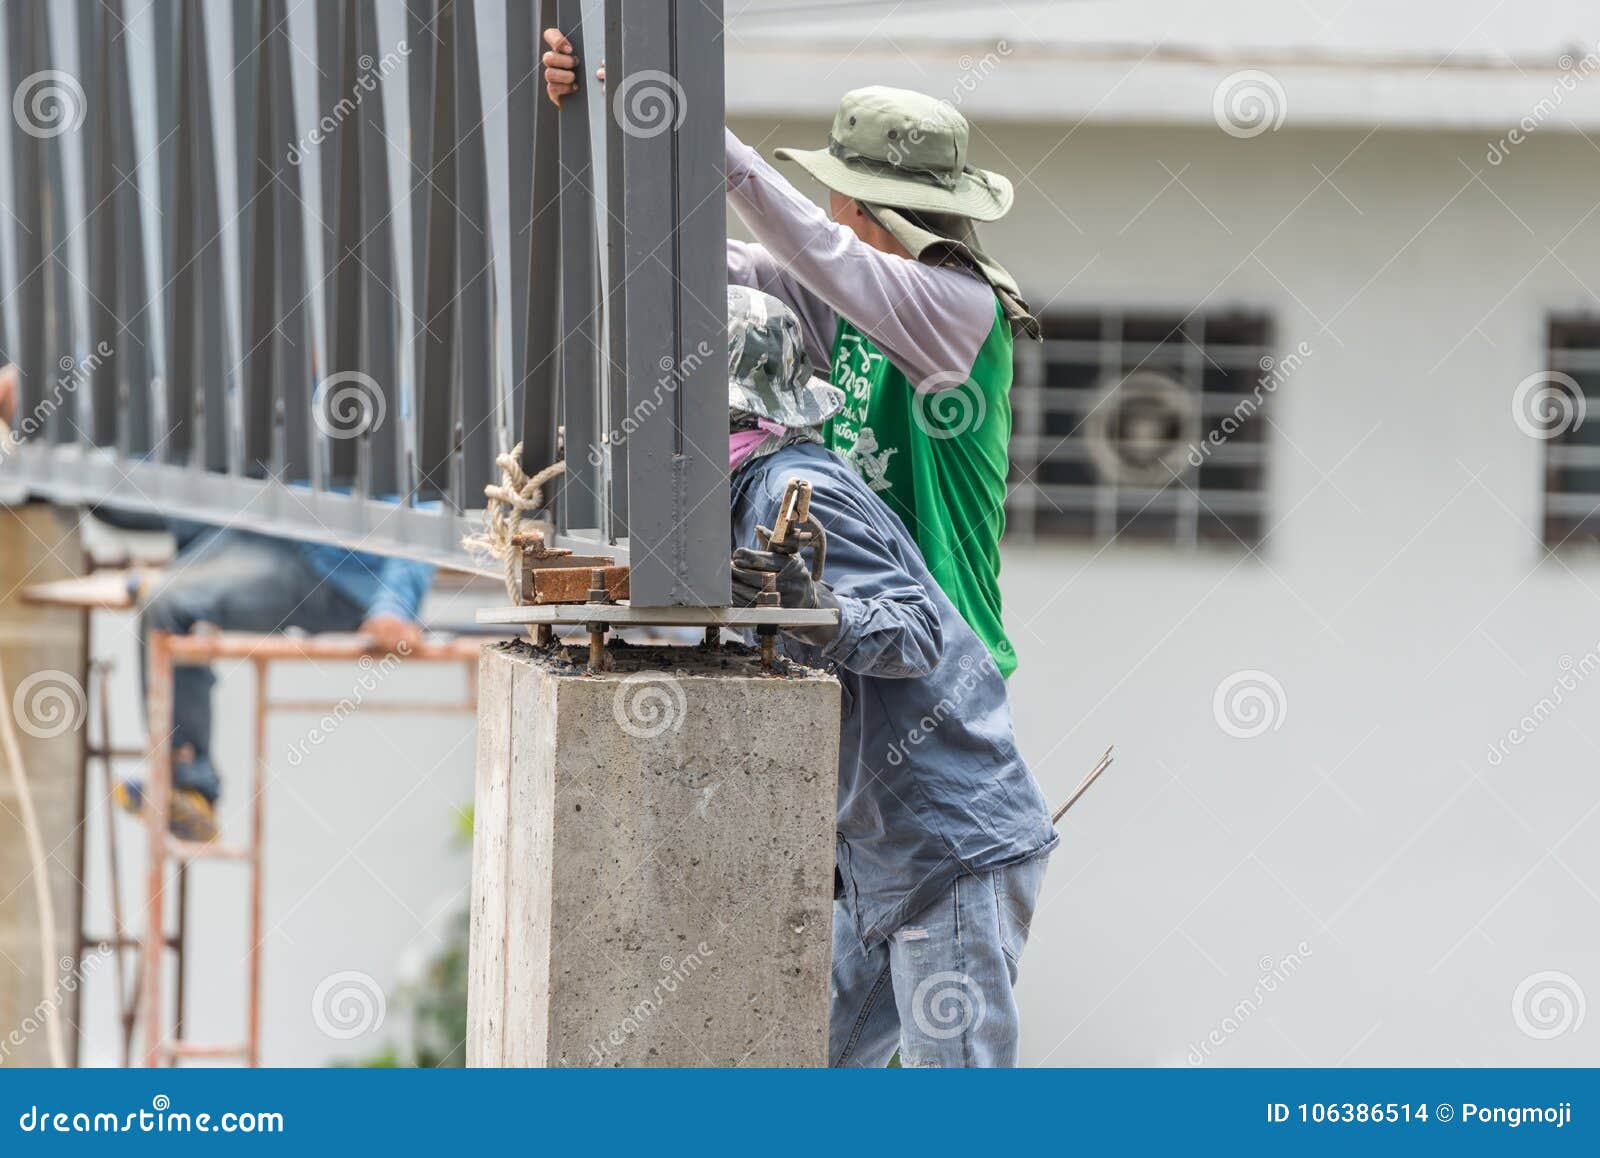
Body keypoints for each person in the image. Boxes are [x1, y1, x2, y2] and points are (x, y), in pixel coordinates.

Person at [542, 32, 1035, 678]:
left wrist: (702, 140)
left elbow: (827, 254)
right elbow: (697, 266)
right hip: (856, 641)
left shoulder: (959, 309)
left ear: (852, 203)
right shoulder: (862, 301)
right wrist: (606, 128)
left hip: (939, 664)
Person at [723, 284, 1056, 1067]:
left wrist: (817, 609)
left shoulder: (795, 493)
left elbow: (914, 632)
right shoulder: (750, 493)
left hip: (946, 847)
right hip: (886, 855)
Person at [112, 528, 434, 843]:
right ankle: (182, 780)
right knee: (162, 598)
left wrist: (394, 606)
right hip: (269, 533)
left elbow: (426, 505)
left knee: (169, 603)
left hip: (335, 572)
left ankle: (188, 783)